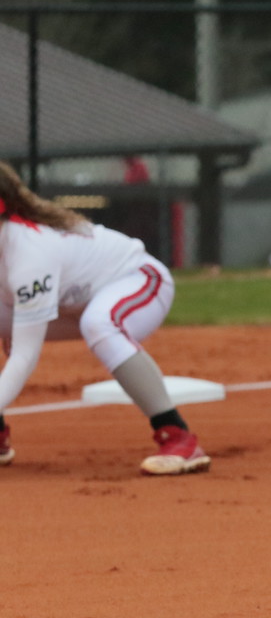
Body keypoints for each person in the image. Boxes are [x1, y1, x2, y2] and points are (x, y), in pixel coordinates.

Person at [0, 161, 210, 475]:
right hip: (71, 304)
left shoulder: (29, 251)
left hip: (138, 280)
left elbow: (25, 354)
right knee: (92, 318)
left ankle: (179, 437)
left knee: (100, 323)